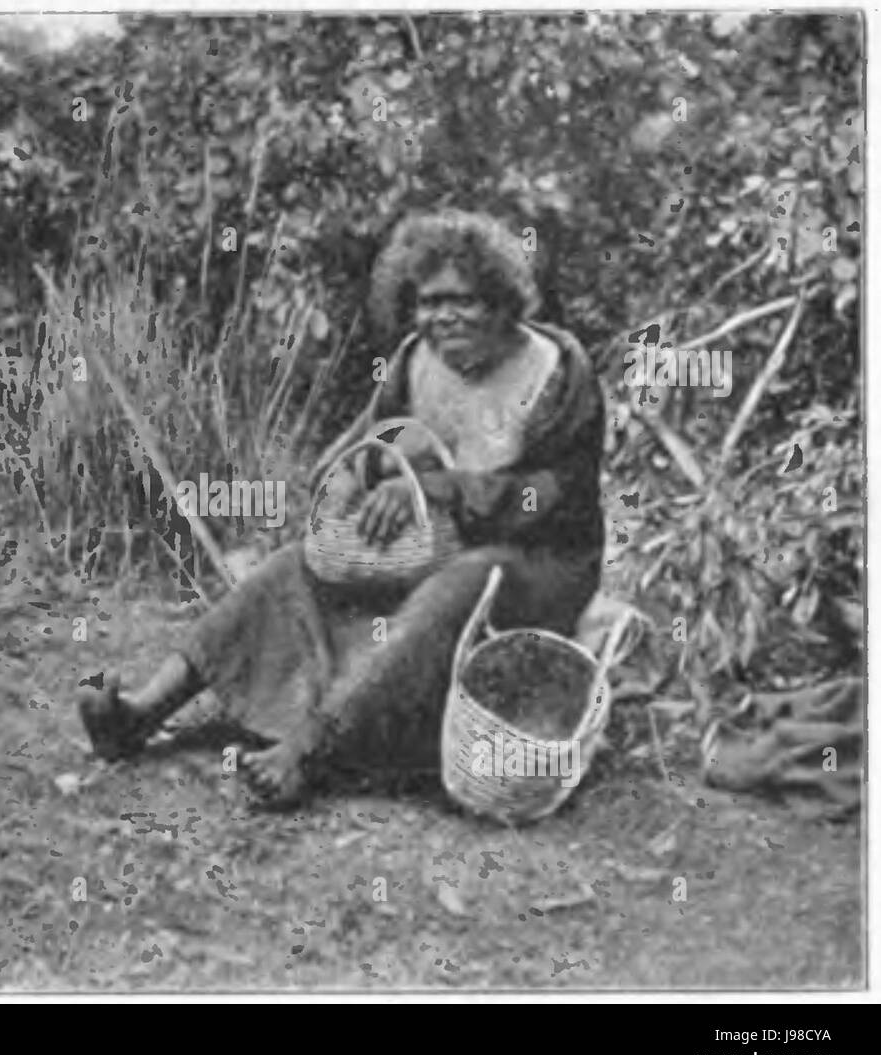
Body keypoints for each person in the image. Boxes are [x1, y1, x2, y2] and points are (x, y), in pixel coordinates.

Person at [79, 209, 606, 807]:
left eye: (464, 301)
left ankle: (309, 748)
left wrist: (436, 490)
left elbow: (555, 498)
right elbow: (376, 443)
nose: (444, 317)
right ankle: (142, 712)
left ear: (503, 302)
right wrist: (360, 476)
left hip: (535, 558)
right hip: (433, 533)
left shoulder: (556, 375)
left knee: (457, 587)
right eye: (429, 303)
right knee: (291, 566)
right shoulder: (415, 359)